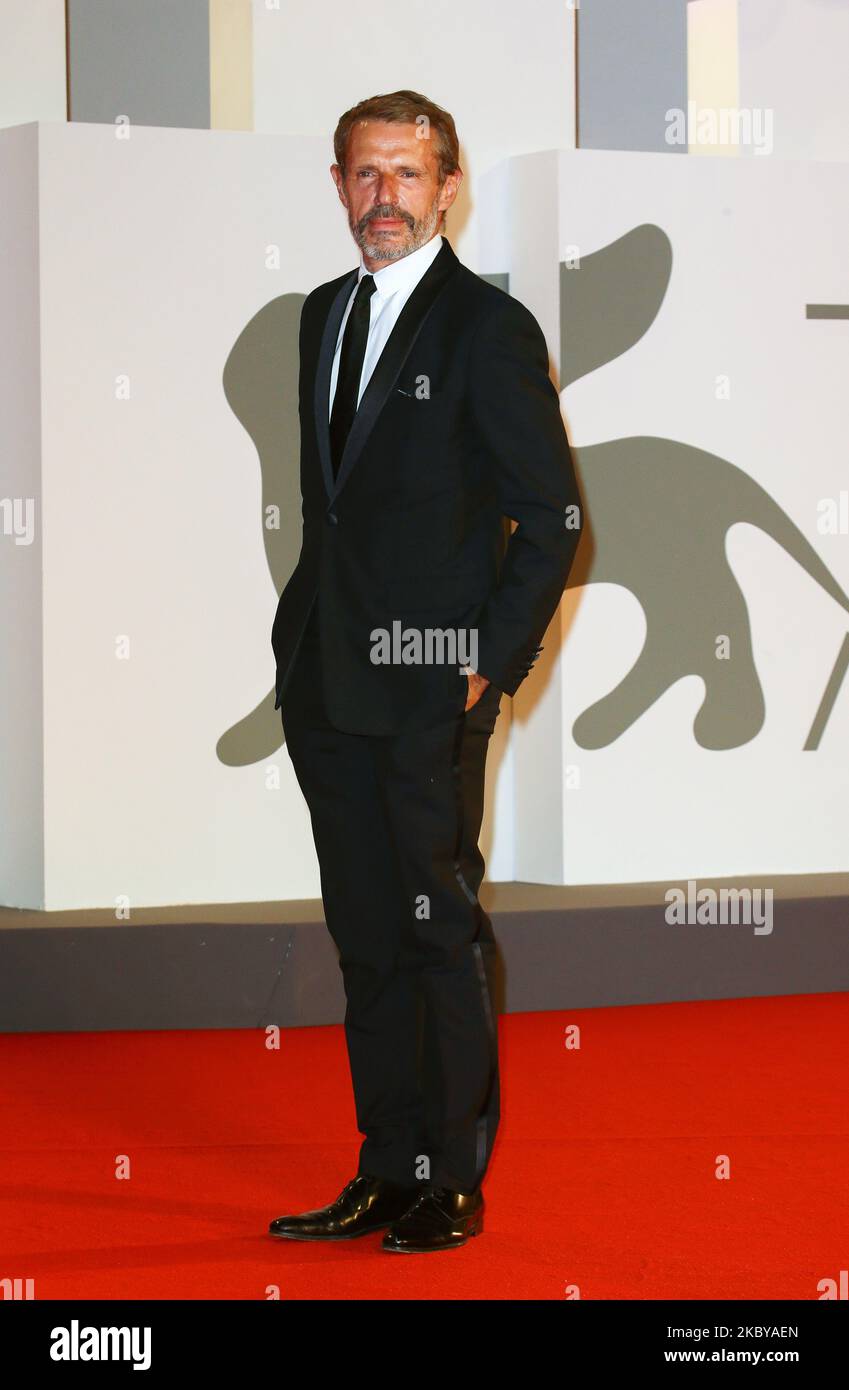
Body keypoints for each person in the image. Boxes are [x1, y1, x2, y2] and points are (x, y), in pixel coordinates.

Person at [268, 90, 582, 1253]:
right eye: (364, 175)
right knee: (365, 934)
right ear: (340, 185)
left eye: (407, 174)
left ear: (447, 186)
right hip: (327, 682)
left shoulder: (485, 330)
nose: (383, 197)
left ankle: (451, 1177)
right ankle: (383, 1165)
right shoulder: (318, 317)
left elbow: (550, 518)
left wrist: (485, 668)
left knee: (433, 929)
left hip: (426, 690)